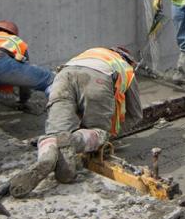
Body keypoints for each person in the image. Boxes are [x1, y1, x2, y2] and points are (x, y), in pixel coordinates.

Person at [9, 46, 141, 197]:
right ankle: (73, 141)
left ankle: (47, 158)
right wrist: (110, 135)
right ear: (128, 59)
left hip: (63, 76)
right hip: (97, 78)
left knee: (55, 132)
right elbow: (135, 115)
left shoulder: (92, 53)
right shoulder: (126, 68)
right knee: (98, 132)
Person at [0, 20, 55, 131]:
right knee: (50, 79)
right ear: (12, 32)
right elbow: (24, 79)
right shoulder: (15, 40)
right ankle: (58, 116)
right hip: (1, 62)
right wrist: (24, 100)